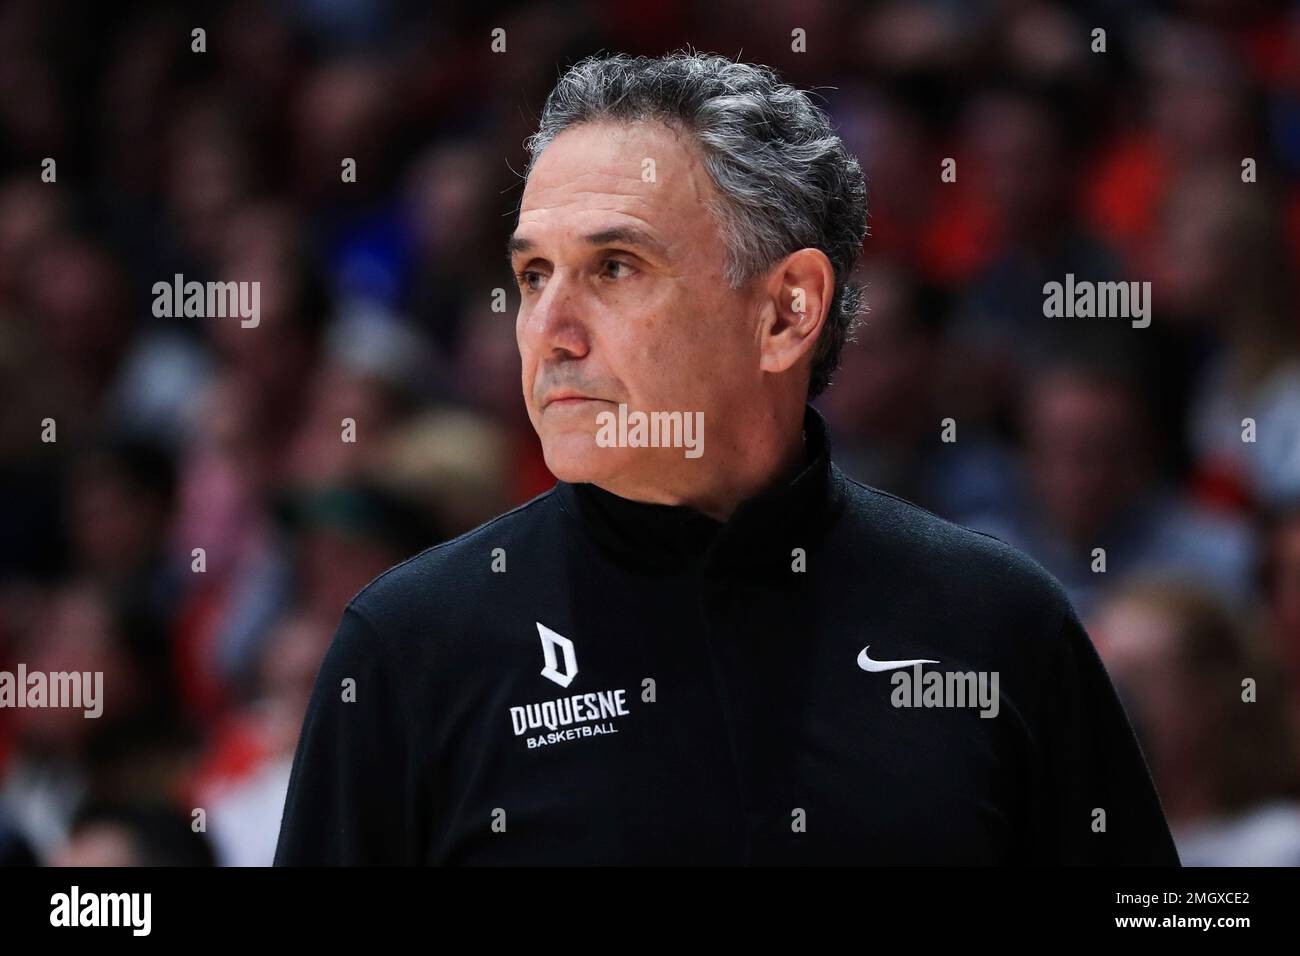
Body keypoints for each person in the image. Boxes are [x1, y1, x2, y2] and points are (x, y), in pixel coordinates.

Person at [273, 52, 1179, 865]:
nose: (548, 331)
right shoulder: (407, 650)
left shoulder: (996, 624)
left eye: (616, 267)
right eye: (534, 276)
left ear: (787, 310)